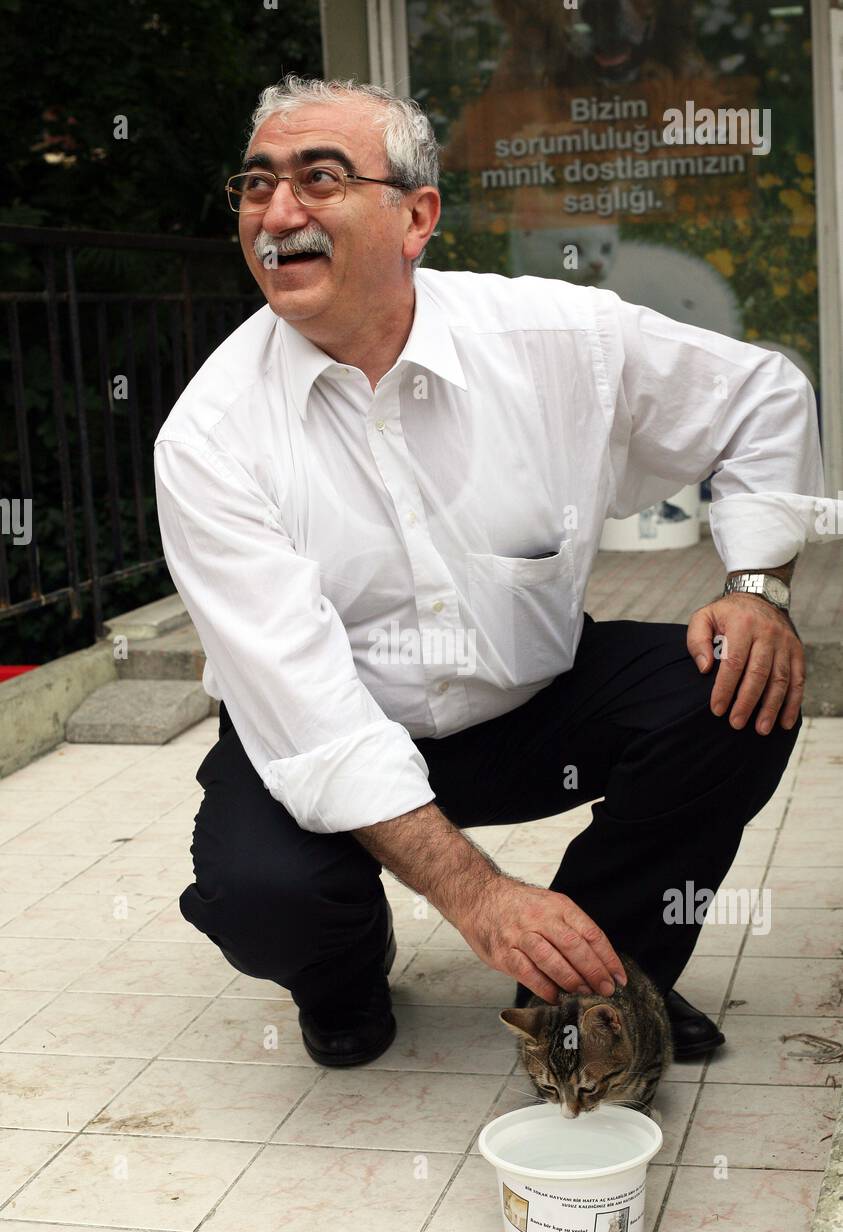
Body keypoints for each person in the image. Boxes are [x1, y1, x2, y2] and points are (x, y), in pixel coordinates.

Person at [154, 75, 828, 1070]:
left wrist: (756, 586)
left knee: (736, 691)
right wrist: (477, 894)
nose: (278, 211)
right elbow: (313, 719)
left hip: (528, 703)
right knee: (270, 895)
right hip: (333, 729)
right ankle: (346, 972)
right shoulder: (211, 437)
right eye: (256, 185)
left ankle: (601, 984)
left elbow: (763, 395)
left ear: (416, 215)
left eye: (319, 177)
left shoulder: (558, 341)